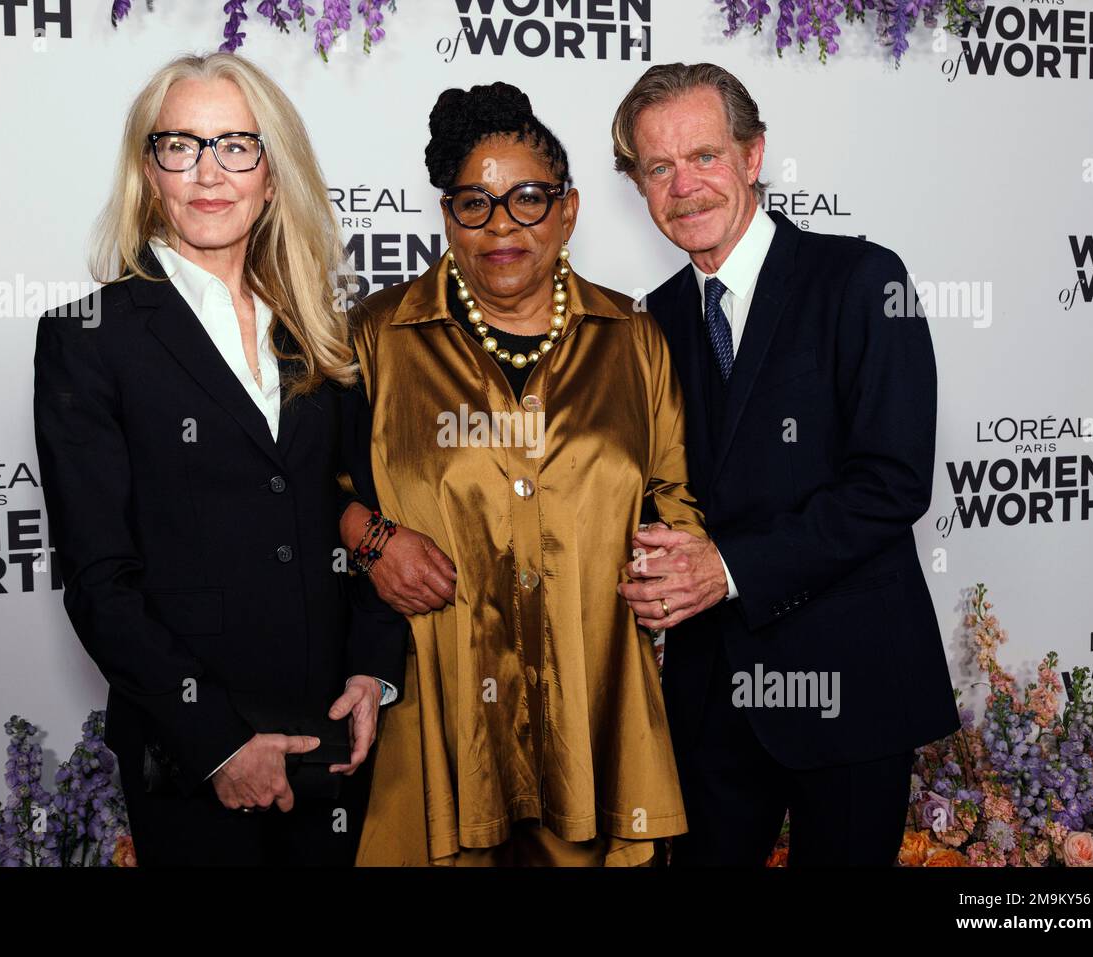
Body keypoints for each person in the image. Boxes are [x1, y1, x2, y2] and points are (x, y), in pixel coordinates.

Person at [32, 52, 405, 866]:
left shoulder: (323, 333)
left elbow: (367, 510)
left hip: (331, 747)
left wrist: (375, 672)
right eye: (181, 146)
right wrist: (219, 744)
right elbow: (101, 582)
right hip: (190, 760)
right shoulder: (88, 339)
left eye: (237, 145)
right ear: (148, 169)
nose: (208, 172)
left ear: (272, 174)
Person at [342, 82, 699, 866]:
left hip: (598, 707)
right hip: (440, 719)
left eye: (529, 199)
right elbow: (314, 486)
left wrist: (671, 565)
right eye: (475, 202)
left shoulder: (634, 339)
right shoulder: (377, 338)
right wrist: (372, 538)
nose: (502, 225)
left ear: (569, 212)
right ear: (447, 218)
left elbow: (675, 494)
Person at [612, 63, 960, 866]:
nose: (684, 186)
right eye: (658, 168)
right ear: (638, 186)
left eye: (704, 156)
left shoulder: (862, 280)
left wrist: (726, 568)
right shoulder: (651, 323)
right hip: (710, 702)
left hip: (851, 686)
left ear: (753, 154)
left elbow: (892, 481)